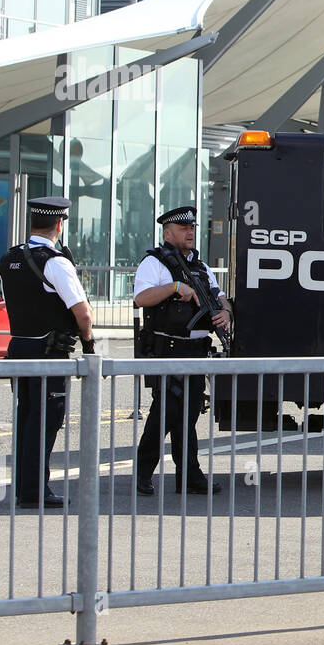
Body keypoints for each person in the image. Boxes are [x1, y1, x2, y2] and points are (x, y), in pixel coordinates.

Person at [0, 197, 94, 509]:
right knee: (46, 420)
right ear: (59, 224)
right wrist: (89, 344)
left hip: (19, 348)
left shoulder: (9, 258)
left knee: (27, 418)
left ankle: (24, 487)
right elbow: (83, 314)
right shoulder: (55, 262)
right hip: (47, 351)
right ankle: (35, 491)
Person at [132, 206, 231, 496]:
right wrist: (175, 286)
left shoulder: (200, 267)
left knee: (187, 415)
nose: (190, 233)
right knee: (165, 413)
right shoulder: (155, 263)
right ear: (168, 232)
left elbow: (221, 297)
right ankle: (144, 470)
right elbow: (142, 297)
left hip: (196, 351)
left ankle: (189, 475)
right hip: (169, 350)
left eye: (192, 228)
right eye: (183, 228)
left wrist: (226, 314)